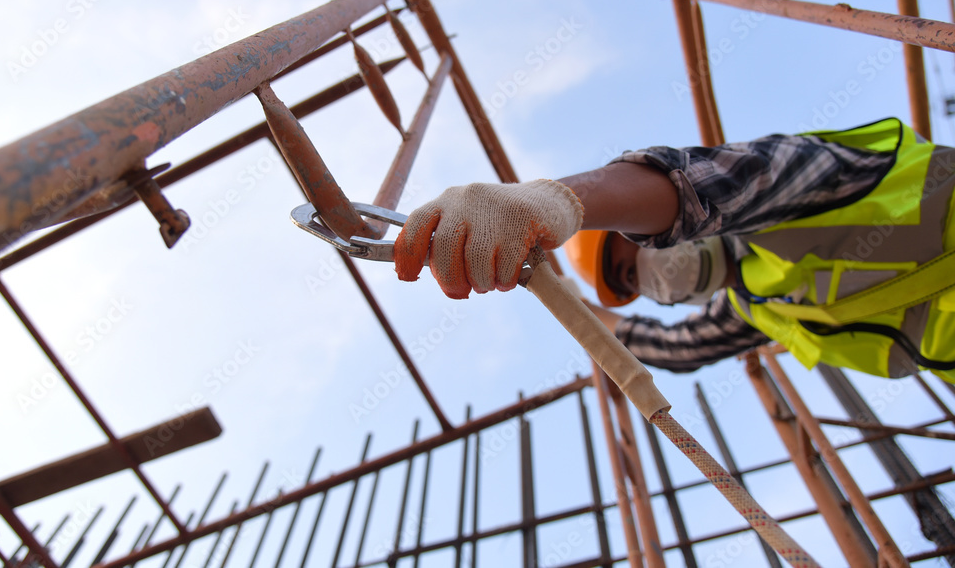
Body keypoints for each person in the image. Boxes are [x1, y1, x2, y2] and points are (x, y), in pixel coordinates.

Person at [393, 117, 955, 384]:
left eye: (631, 256)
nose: (649, 279)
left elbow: (704, 184)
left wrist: (554, 201)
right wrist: (573, 307)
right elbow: (675, 348)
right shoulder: (758, 304)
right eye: (634, 285)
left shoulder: (795, 187)